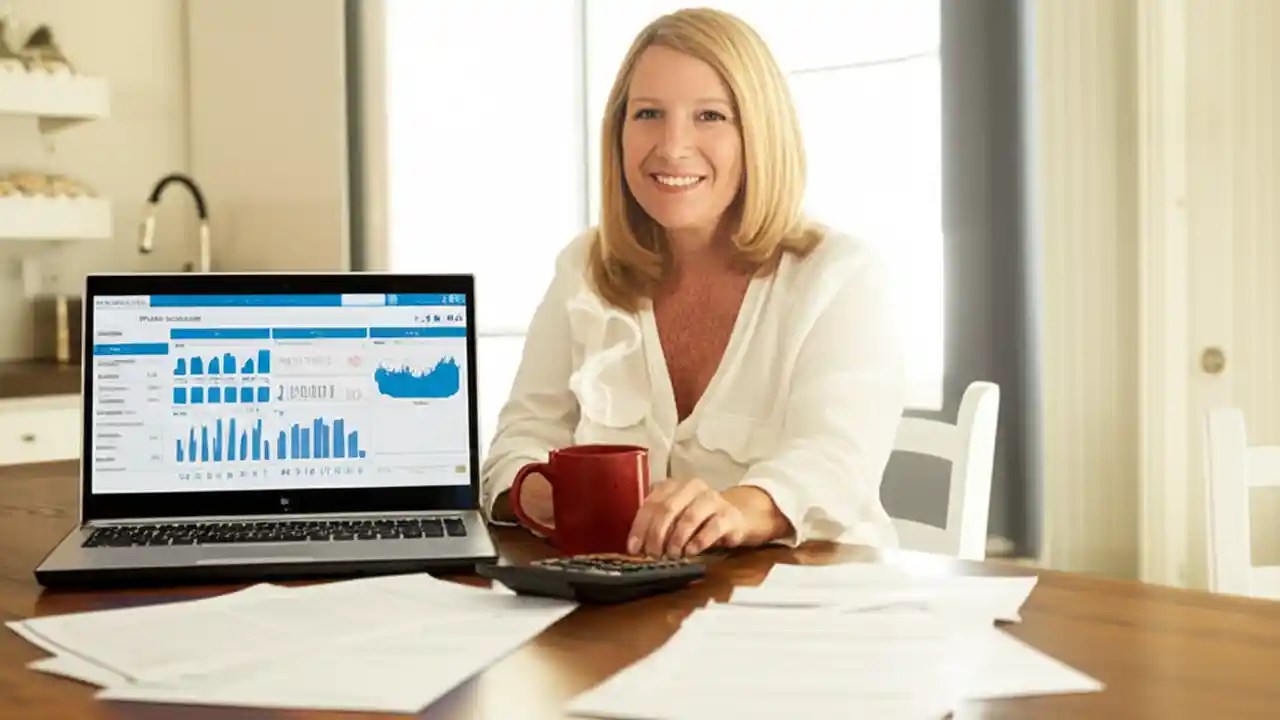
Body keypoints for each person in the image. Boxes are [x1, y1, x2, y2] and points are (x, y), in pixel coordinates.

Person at [481, 7, 904, 558]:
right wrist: (536, 491)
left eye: (710, 116)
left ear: (759, 134)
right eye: (648, 113)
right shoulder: (583, 268)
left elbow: (835, 463)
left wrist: (737, 509)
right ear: (619, 133)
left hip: (809, 607)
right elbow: (519, 439)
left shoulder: (841, 274)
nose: (672, 146)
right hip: (628, 609)